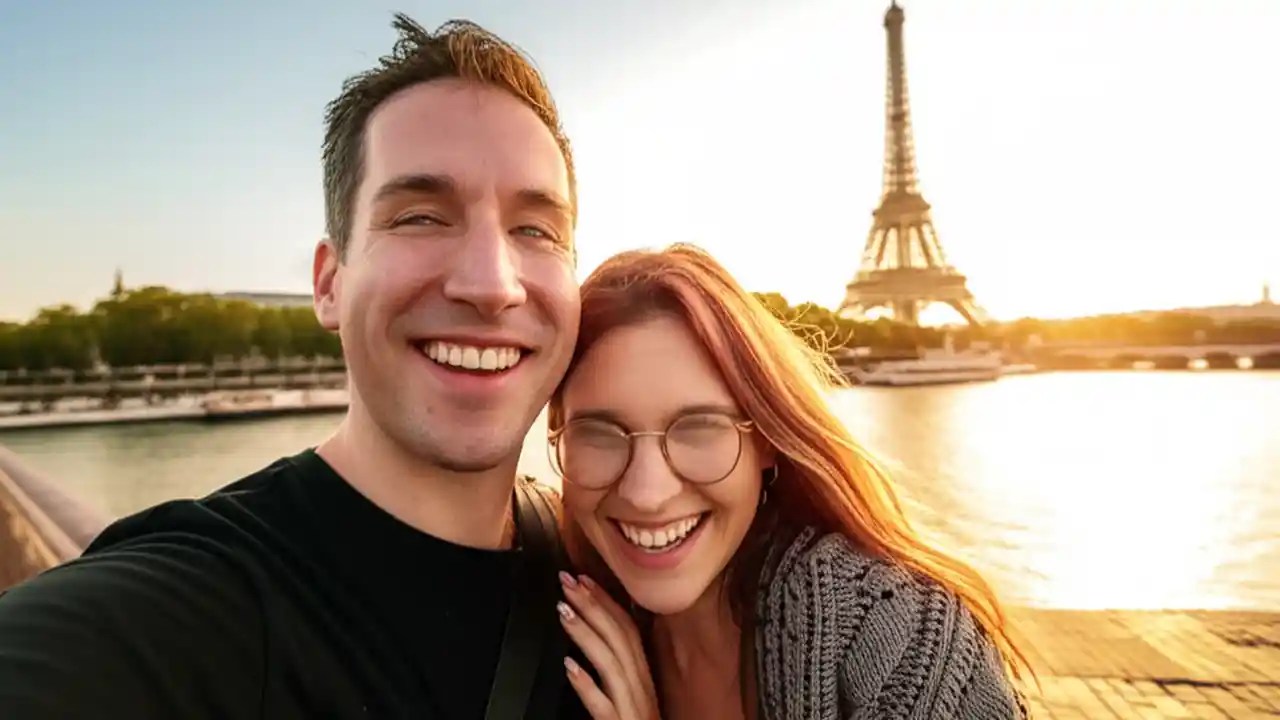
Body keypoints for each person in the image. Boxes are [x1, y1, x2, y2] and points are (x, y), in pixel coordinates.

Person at [0, 14, 588, 719]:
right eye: (420, 217)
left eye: (536, 230)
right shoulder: (185, 607)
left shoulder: (599, 563)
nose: (492, 283)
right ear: (329, 284)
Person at [545, 244, 1033, 719]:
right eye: (599, 433)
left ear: (767, 441)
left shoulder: (897, 637)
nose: (646, 493)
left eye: (699, 427)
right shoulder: (567, 619)